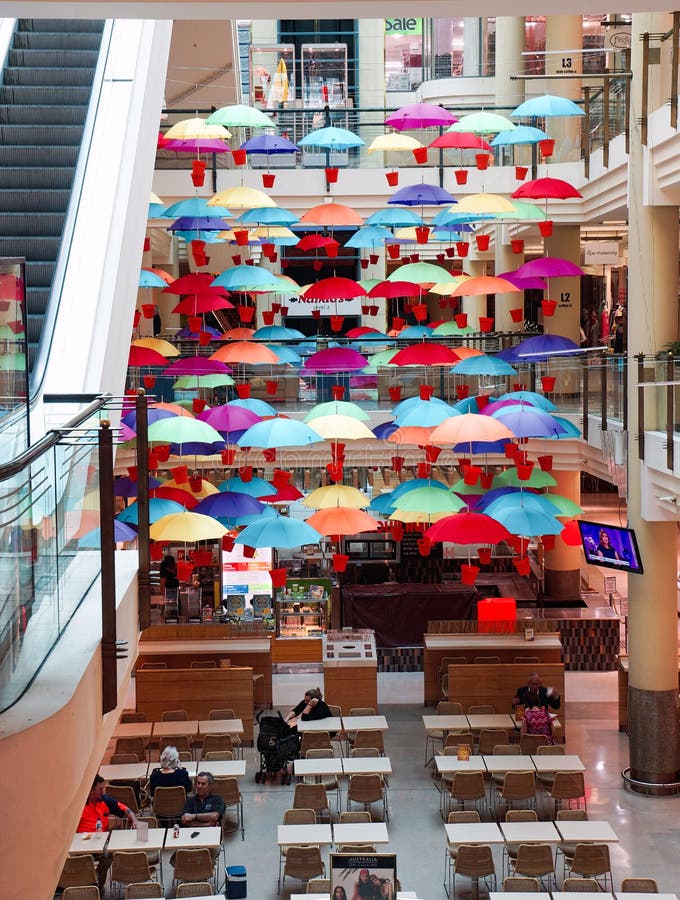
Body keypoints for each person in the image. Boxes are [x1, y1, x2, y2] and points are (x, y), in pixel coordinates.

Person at [76, 775, 138, 891]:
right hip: (81, 842)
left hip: (101, 842)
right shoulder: (79, 805)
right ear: (91, 790)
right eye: (100, 789)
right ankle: (84, 883)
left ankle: (98, 885)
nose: (103, 792)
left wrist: (134, 819)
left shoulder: (106, 801)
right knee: (76, 859)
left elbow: (125, 810)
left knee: (107, 856)